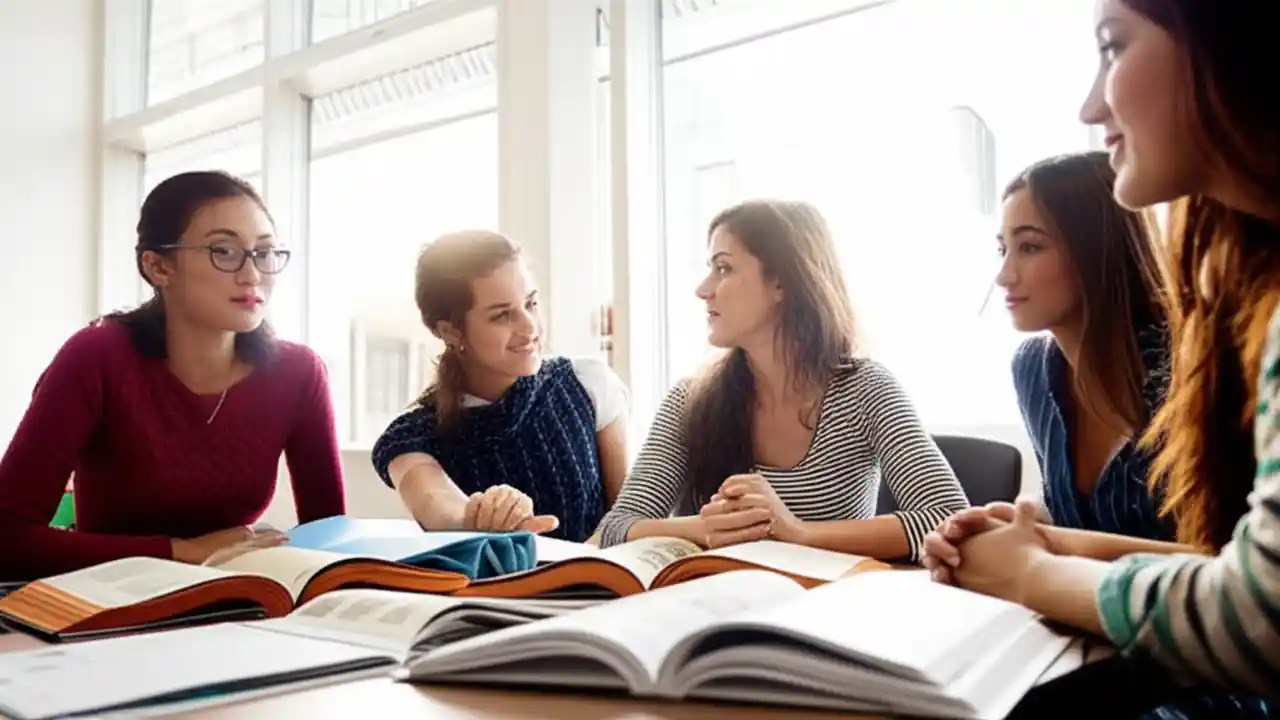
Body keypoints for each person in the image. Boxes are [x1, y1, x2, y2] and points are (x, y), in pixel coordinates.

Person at [923, 0, 1280, 707]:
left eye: (1113, 47)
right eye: (1005, 249)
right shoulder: (1035, 371)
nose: (1091, 105)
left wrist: (1032, 570)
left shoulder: (1198, 360)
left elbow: (1252, 606)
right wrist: (1037, 543)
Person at [0, 171, 345, 581]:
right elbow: (7, 536)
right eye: (224, 250)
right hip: (108, 604)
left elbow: (330, 536)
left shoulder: (298, 372)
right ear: (158, 267)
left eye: (265, 252)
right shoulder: (96, 356)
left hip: (237, 601)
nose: (253, 274)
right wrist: (185, 553)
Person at [594, 200, 968, 561]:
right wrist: (704, 527)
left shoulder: (866, 391)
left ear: (782, 284)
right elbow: (616, 528)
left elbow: (947, 518)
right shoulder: (689, 400)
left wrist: (797, 533)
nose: (703, 288)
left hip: (826, 615)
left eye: (723, 269)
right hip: (717, 610)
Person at [372, 231, 628, 543]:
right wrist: (482, 515)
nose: (529, 327)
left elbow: (627, 516)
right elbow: (439, 509)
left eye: (530, 303)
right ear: (451, 332)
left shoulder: (587, 383)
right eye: (503, 315)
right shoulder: (411, 439)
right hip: (487, 593)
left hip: (605, 587)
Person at [1001, 151, 1176, 542]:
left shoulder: (1187, 367)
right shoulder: (1032, 370)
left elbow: (1222, 558)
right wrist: (1020, 528)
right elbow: (1080, 525)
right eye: (1003, 250)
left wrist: (1046, 551)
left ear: (1094, 246)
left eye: (1029, 247)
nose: (1004, 275)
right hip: (1078, 604)